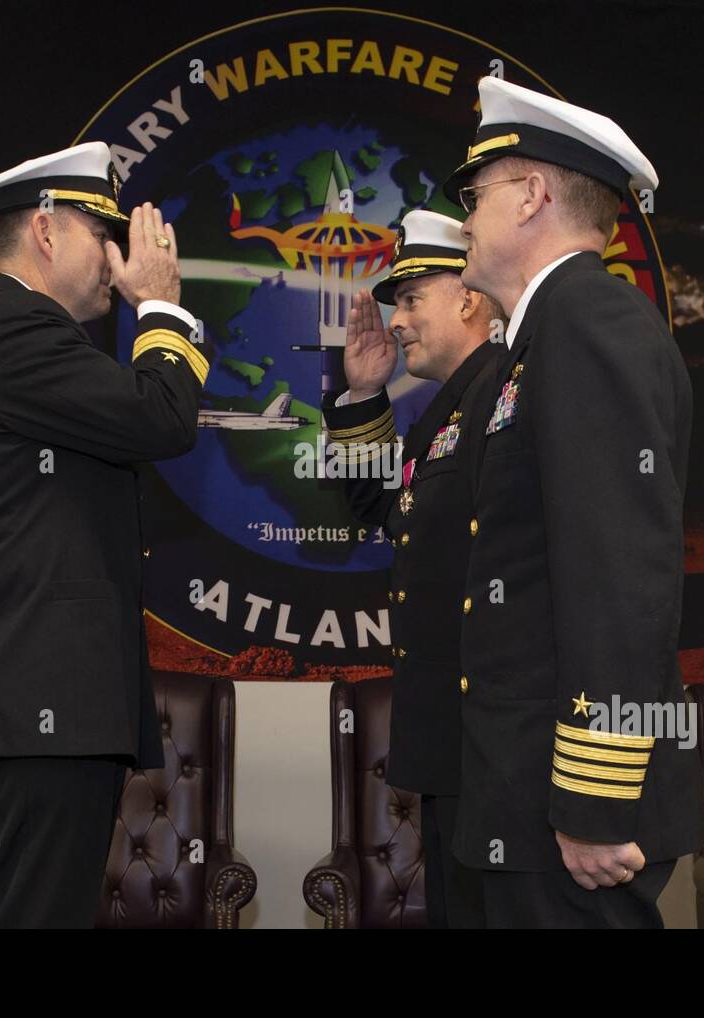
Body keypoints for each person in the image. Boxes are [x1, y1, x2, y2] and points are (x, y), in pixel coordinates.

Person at [441, 77, 704, 927]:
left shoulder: (589, 325)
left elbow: (620, 578)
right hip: (524, 790)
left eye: (474, 195)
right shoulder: (538, 341)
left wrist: (593, 802)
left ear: (531, 196)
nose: (465, 219)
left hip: (575, 805)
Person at [0, 141, 211, 927]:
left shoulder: (19, 336)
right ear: (46, 233)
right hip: (39, 699)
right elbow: (160, 416)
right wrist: (159, 304)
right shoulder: (12, 330)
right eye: (101, 235)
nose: (116, 260)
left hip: (49, 701)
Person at [321, 209, 503, 928]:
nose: (396, 321)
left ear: (469, 298)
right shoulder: (451, 410)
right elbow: (384, 510)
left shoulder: (502, 397)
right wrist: (366, 393)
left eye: (412, 299)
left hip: (489, 745)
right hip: (454, 743)